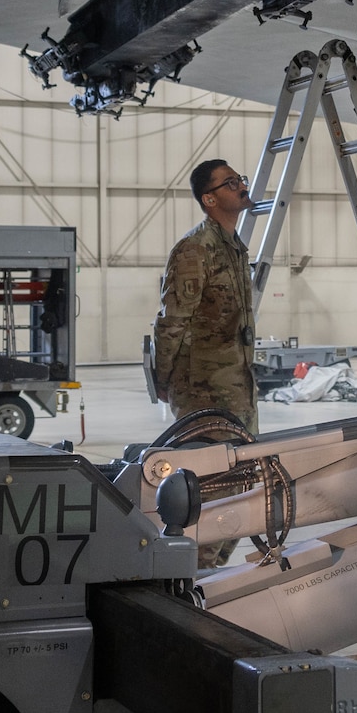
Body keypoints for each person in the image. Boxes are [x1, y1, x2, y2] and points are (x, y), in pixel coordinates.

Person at [153, 159, 258, 568]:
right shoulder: (194, 250)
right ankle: (192, 573)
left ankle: (207, 569)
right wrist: (163, 379)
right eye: (229, 183)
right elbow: (171, 321)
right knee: (211, 489)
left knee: (242, 483)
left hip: (237, 389)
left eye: (239, 179)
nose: (240, 186)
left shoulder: (234, 247)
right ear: (209, 199)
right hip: (204, 393)